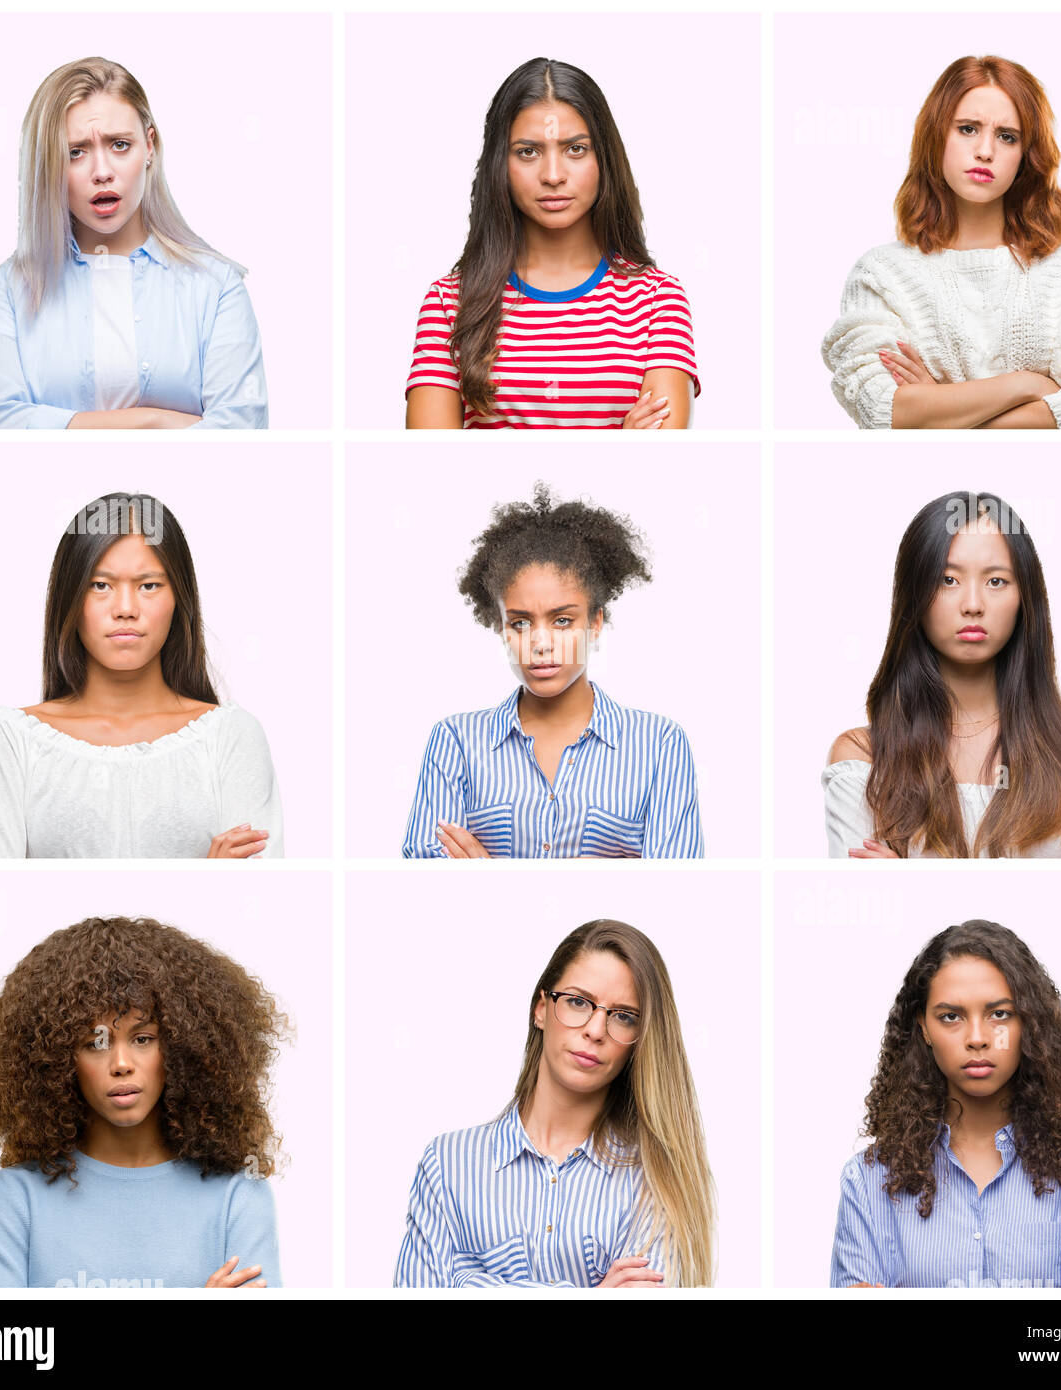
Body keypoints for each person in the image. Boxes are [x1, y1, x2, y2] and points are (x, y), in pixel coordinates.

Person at [0, 916, 287, 1288]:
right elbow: (3, 1346)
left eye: (143, 1038)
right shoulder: (17, 1199)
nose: (121, 1064)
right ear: (55, 1062)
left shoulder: (238, 1196)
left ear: (184, 1048)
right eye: (95, 1042)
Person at [821, 55, 1061, 430]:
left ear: (1026, 155)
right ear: (937, 135)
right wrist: (1028, 385)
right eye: (968, 129)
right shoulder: (881, 276)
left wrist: (938, 409)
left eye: (1007, 136)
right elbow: (881, 409)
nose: (986, 151)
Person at [394, 920, 716, 1287]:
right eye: (578, 1002)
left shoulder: (656, 1179)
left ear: (640, 1040)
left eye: (623, 1016)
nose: (596, 1029)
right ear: (541, 1009)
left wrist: (469, 1282)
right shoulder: (448, 1165)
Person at [0, 492, 283, 858]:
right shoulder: (9, 740)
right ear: (70, 596)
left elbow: (253, 894)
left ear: (179, 597)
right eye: (100, 585)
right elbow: (1, 896)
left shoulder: (231, 736)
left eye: (149, 585)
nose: (126, 609)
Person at [823, 491, 1061, 858]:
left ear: (1025, 597)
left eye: (996, 582)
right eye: (948, 580)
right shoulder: (865, 758)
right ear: (914, 593)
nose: (973, 605)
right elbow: (872, 895)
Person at [402, 483, 702, 857]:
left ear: (594, 623)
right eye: (520, 623)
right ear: (500, 627)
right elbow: (426, 873)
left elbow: (671, 883)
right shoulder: (456, 742)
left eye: (562, 620)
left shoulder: (659, 745)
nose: (540, 644)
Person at [830, 921, 1061, 1288]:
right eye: (951, 1017)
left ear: (1029, 1022)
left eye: (999, 1014)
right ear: (924, 1028)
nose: (977, 1038)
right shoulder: (868, 1181)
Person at [0, 57, 267, 429]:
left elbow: (242, 430)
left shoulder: (216, 286)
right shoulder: (11, 290)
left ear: (150, 148)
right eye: (75, 152)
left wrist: (59, 425)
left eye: (120, 145)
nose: (102, 172)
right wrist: (154, 421)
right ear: (49, 165)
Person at [406, 57, 698, 429]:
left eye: (575, 149)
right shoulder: (450, 303)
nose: (554, 175)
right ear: (500, 164)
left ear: (603, 158)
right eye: (528, 151)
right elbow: (430, 473)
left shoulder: (658, 299)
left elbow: (659, 472)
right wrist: (617, 446)